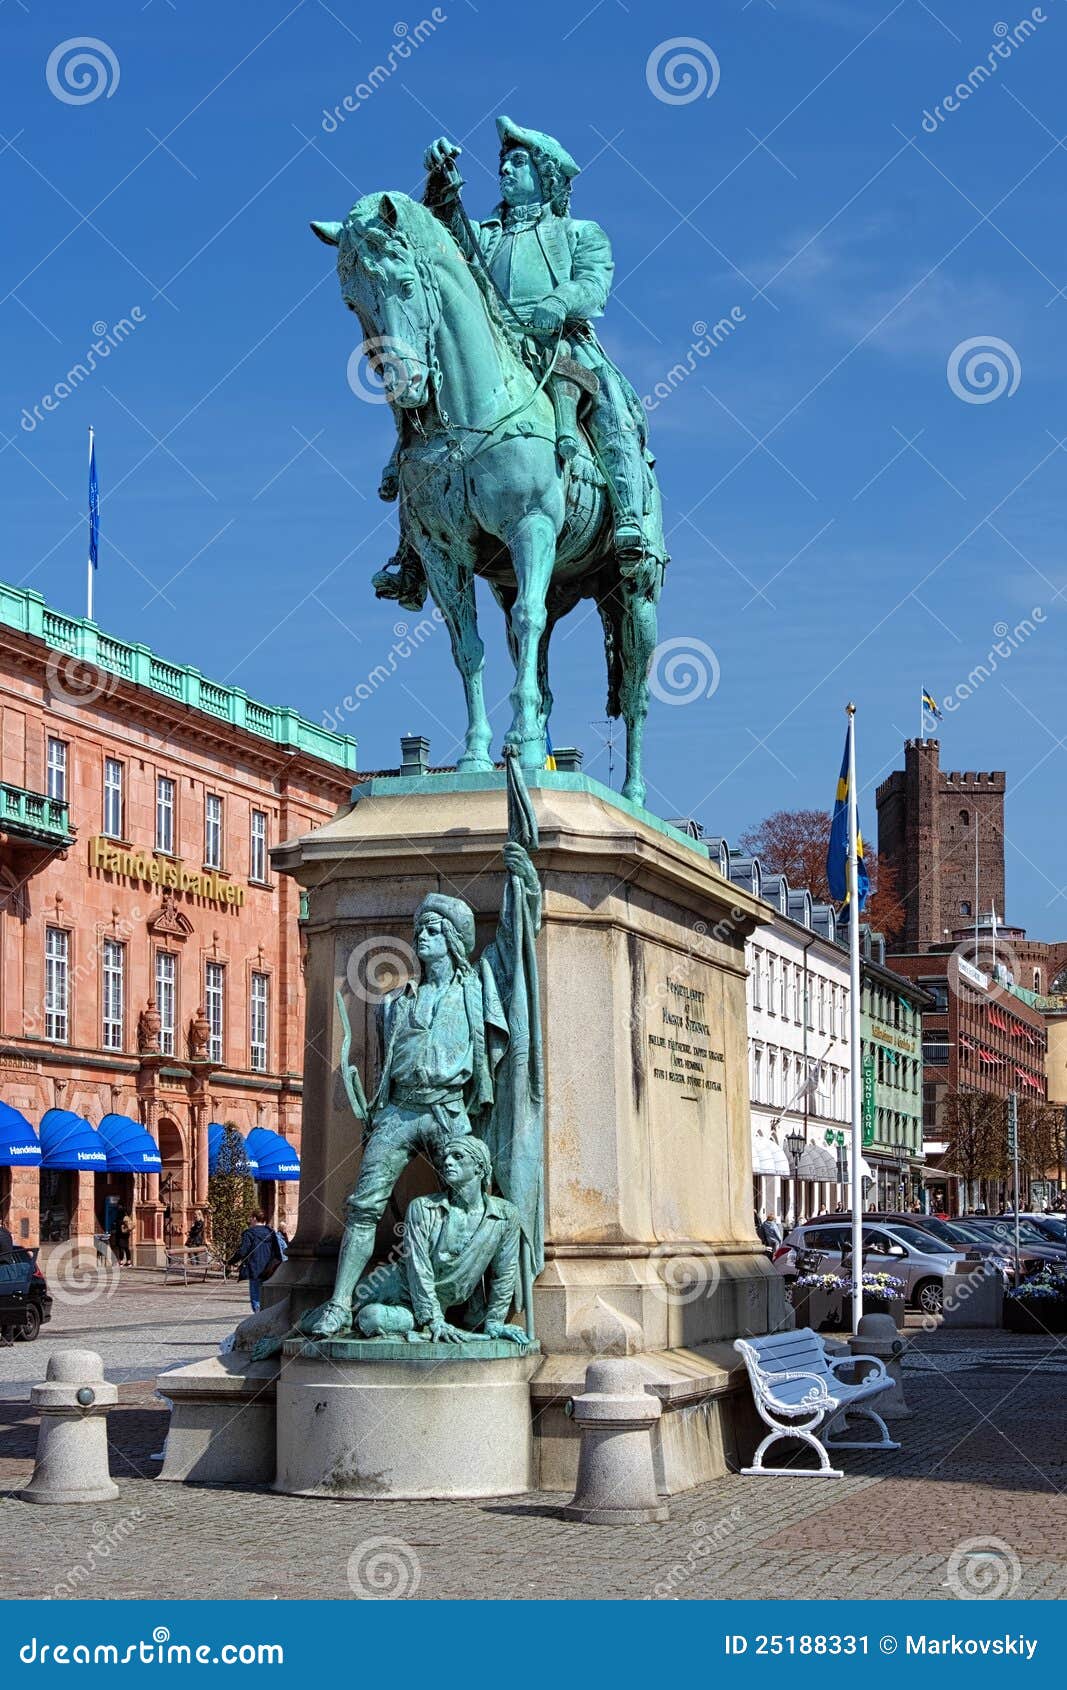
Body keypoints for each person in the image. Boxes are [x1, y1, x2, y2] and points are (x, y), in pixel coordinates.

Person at [302, 842, 541, 1339]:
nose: (423, 938)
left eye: (434, 931)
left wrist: (524, 883)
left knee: (475, 1198)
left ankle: (475, 1306)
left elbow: (517, 941)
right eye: (420, 931)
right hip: (400, 1110)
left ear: (454, 940)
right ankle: (340, 1304)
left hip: (451, 1108)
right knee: (363, 1205)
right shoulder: (395, 1002)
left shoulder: (477, 985)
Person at [229, 1211, 280, 1314]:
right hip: (269, 1269)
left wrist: (231, 1261)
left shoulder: (249, 1233)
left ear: (255, 1219)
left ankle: (258, 1318)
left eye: (250, 1218)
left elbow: (243, 1251)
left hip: (254, 1269)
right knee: (266, 1297)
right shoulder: (271, 1232)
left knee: (256, 1298)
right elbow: (277, 1252)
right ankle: (265, 1317)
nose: (250, 1220)